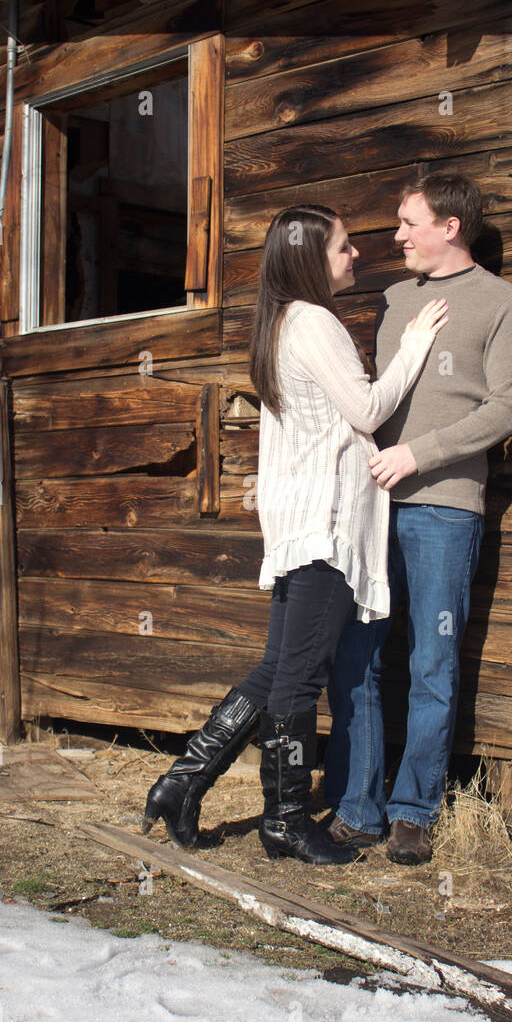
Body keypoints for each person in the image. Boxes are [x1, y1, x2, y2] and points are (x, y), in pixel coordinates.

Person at [141, 204, 449, 865]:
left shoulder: (280, 324)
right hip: (327, 528)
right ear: (312, 258)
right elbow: (367, 409)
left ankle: (181, 782)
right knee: (298, 682)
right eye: (343, 247)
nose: (356, 256)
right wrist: (416, 349)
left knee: (278, 669)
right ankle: (283, 821)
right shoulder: (314, 323)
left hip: (300, 525)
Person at [324, 173, 512, 865]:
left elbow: (507, 409)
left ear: (451, 226)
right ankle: (357, 808)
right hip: (374, 512)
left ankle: (414, 810)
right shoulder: (389, 300)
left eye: (409, 222)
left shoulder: (499, 304)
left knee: (432, 662)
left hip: (444, 510)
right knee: (358, 658)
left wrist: (420, 453)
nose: (397, 235)